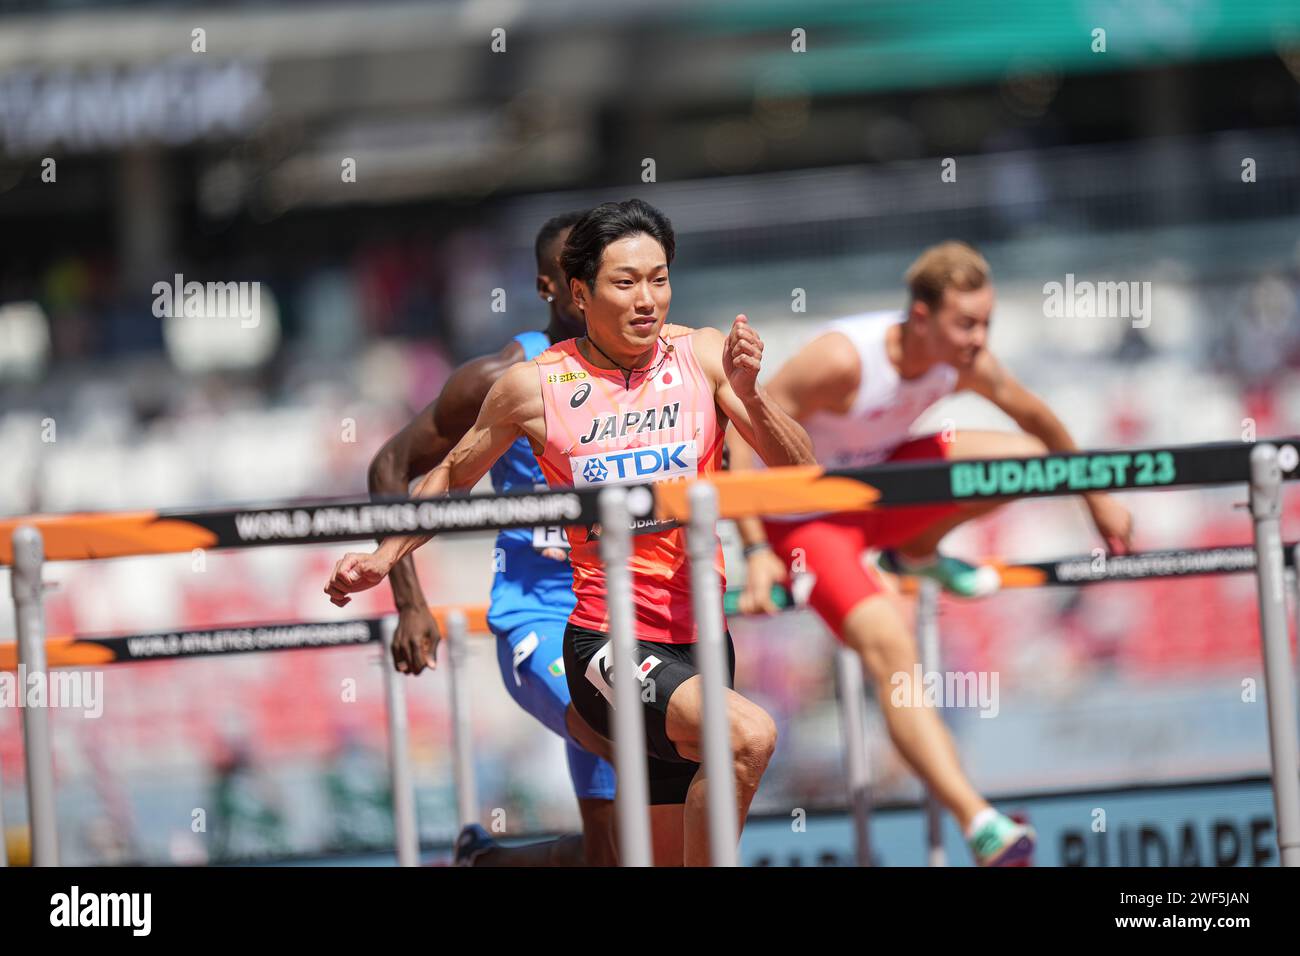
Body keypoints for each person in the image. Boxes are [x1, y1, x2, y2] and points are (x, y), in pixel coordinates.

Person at [328, 198, 815, 866]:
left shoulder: (702, 356)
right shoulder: (529, 385)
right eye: (626, 282)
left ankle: (492, 862)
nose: (648, 299)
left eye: (660, 278)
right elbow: (447, 477)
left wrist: (752, 397)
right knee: (750, 736)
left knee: (641, 856)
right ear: (576, 294)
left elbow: (805, 473)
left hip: (698, 635)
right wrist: (385, 564)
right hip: (596, 639)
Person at [731, 240, 1134, 866]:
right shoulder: (844, 361)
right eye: (966, 324)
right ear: (921, 316)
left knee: (1027, 464)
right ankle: (981, 823)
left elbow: (1040, 423)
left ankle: (915, 552)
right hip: (805, 520)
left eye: (986, 323)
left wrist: (1097, 500)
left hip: (880, 495)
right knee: (895, 650)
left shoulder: (963, 360)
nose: (979, 339)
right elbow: (740, 426)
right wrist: (756, 548)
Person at [368, 211, 618, 866]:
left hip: (635, 622)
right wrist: (409, 602)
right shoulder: (502, 376)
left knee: (615, 855)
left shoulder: (651, 373)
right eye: (578, 273)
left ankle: (488, 863)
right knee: (644, 736)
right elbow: (390, 469)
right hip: (543, 619)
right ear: (547, 288)